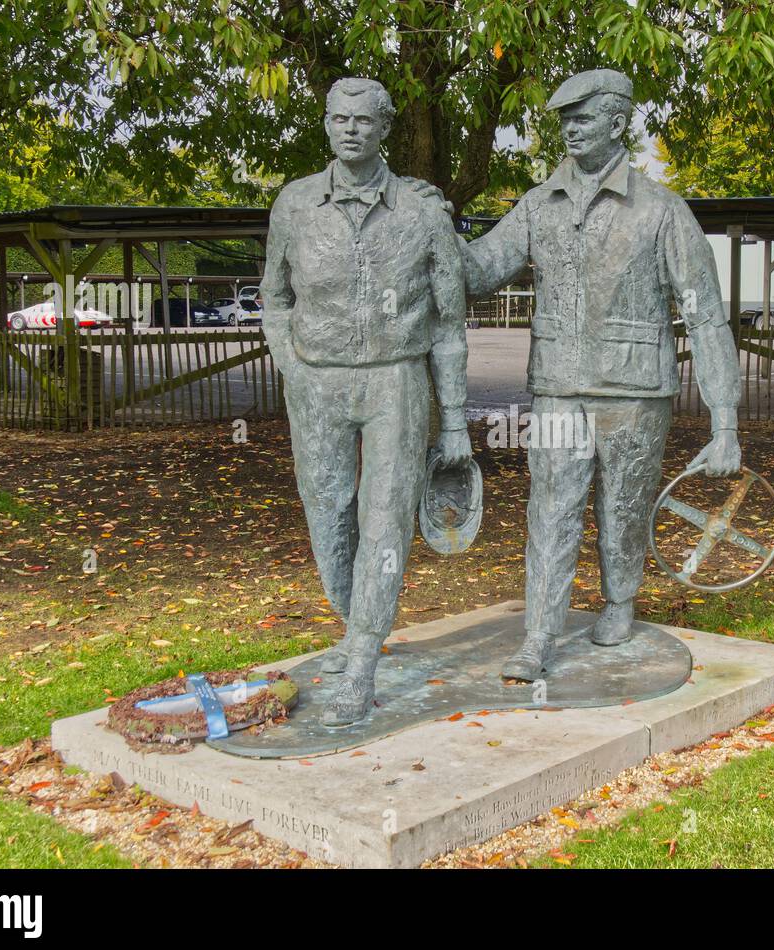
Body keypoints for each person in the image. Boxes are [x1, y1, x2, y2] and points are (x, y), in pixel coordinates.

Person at [455, 69, 742, 681]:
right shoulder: (539, 204)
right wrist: (435, 230)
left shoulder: (662, 210)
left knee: (625, 505)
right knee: (550, 507)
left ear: (618, 124)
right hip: (558, 387)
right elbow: (479, 272)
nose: (570, 131)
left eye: (582, 119)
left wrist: (725, 422)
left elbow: (706, 316)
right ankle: (538, 634)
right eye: (563, 122)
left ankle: (620, 600)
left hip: (636, 390)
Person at [261, 77, 472, 724]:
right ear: (326, 124)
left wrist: (456, 420)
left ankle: (360, 662)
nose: (349, 129)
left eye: (363, 120)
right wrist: (289, 367)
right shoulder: (294, 205)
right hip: (316, 381)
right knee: (326, 513)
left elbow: (449, 323)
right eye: (338, 118)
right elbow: (274, 299)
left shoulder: (421, 212)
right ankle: (357, 628)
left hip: (395, 382)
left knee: (384, 517)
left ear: (385, 129)